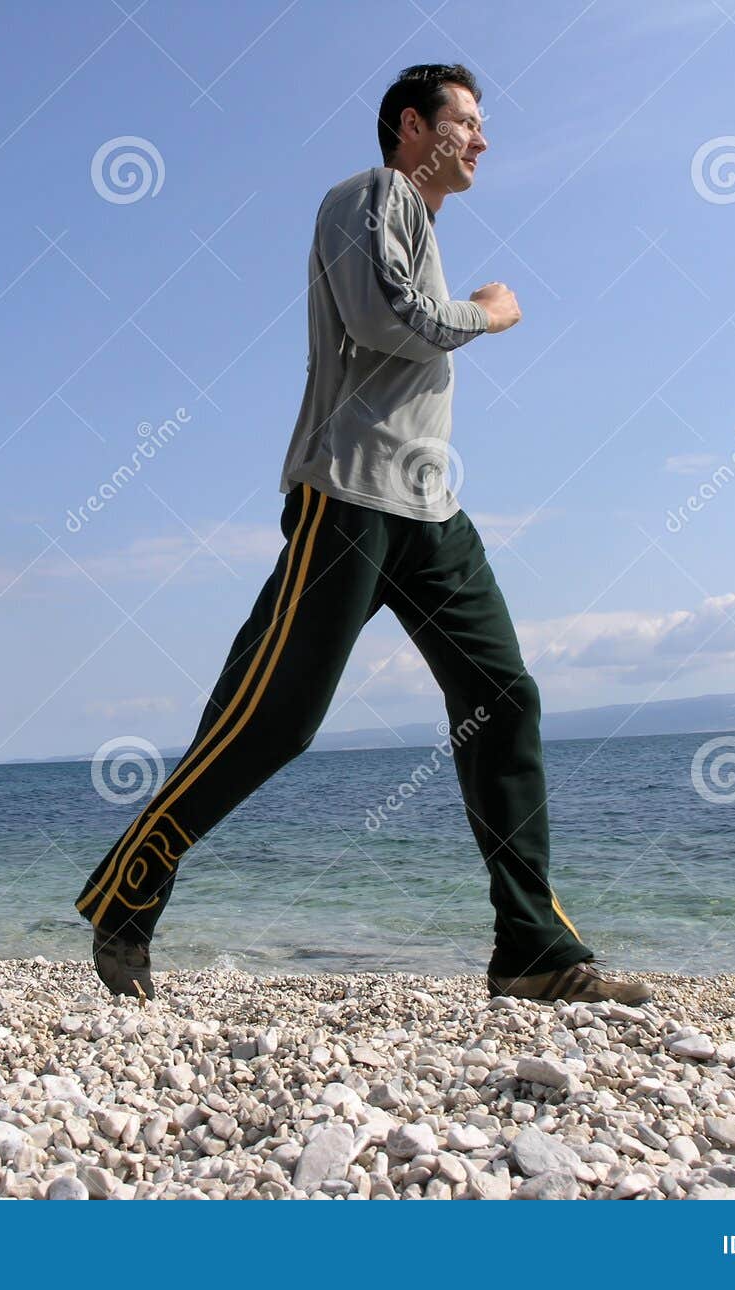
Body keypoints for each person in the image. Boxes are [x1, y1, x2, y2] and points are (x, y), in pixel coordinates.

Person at [74, 64, 653, 1008]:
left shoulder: (415, 222)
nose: (484, 139)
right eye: (468, 121)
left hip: (431, 510)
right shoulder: (367, 195)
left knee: (503, 698)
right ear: (412, 126)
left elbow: (407, 320)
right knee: (271, 721)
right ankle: (125, 900)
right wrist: (492, 314)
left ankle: (532, 948)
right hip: (345, 497)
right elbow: (392, 321)